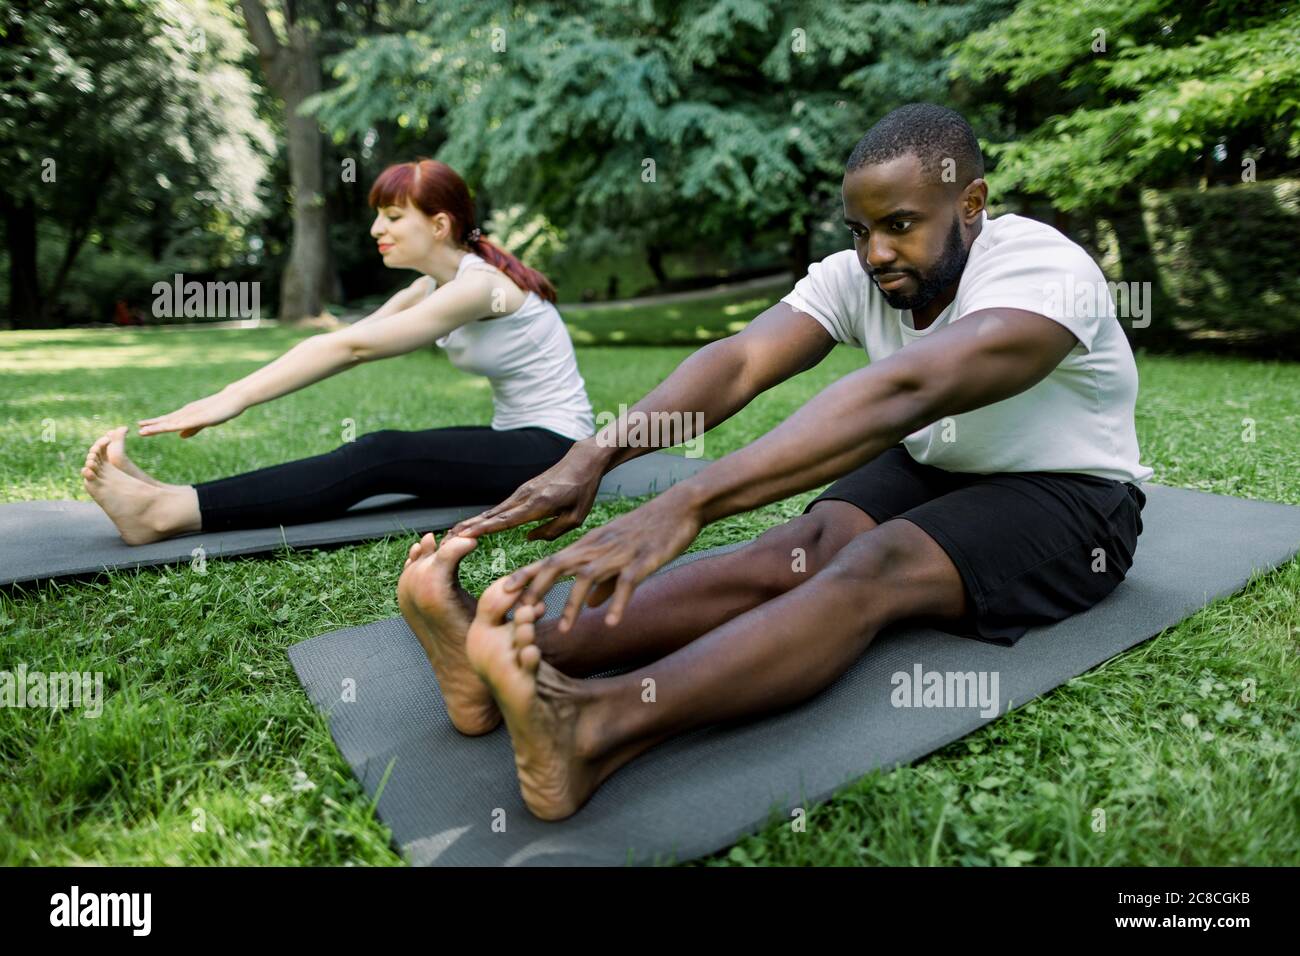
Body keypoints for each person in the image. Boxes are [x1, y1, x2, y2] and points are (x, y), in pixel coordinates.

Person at [396, 103, 1153, 821]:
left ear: (971, 201)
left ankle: (593, 728)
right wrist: (594, 455)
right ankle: (501, 664)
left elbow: (909, 389)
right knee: (795, 551)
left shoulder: (1043, 269)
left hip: (1074, 498)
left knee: (874, 565)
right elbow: (741, 360)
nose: (876, 253)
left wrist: (688, 502)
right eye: (860, 230)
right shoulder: (861, 275)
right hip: (938, 460)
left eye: (899, 226)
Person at [81, 159, 594, 544]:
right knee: (380, 452)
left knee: (380, 454)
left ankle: (164, 514)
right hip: (522, 438)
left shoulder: (482, 287)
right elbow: (343, 342)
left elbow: (351, 349)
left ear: (439, 225)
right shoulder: (434, 286)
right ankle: (168, 499)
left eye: (393, 216)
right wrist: (234, 392)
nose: (377, 230)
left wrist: (232, 399)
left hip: (555, 452)